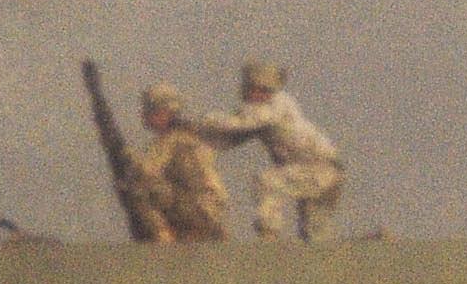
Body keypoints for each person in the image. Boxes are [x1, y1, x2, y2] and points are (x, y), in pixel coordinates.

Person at [195, 61, 346, 240]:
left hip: (321, 168)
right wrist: (195, 136)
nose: (258, 94)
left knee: (267, 182)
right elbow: (229, 140)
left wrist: (204, 121)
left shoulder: (279, 103)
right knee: (315, 232)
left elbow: (241, 123)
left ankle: (269, 237)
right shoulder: (258, 113)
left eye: (264, 89)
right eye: (254, 88)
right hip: (315, 171)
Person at [126, 83, 231, 244]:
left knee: (139, 189)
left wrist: (127, 159)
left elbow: (147, 174)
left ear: (163, 113)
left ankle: (163, 237)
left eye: (151, 111)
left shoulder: (174, 140)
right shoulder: (191, 134)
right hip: (208, 210)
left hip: (197, 210)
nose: (146, 115)